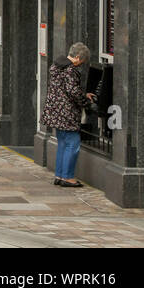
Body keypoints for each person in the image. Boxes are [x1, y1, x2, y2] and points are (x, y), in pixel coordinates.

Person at [41, 42, 96, 188]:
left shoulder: (56, 66)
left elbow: (63, 89)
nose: (81, 64)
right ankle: (68, 177)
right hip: (67, 113)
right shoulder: (71, 70)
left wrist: (83, 94)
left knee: (63, 144)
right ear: (77, 57)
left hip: (56, 111)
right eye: (82, 61)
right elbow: (72, 91)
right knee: (73, 144)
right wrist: (86, 101)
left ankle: (59, 175)